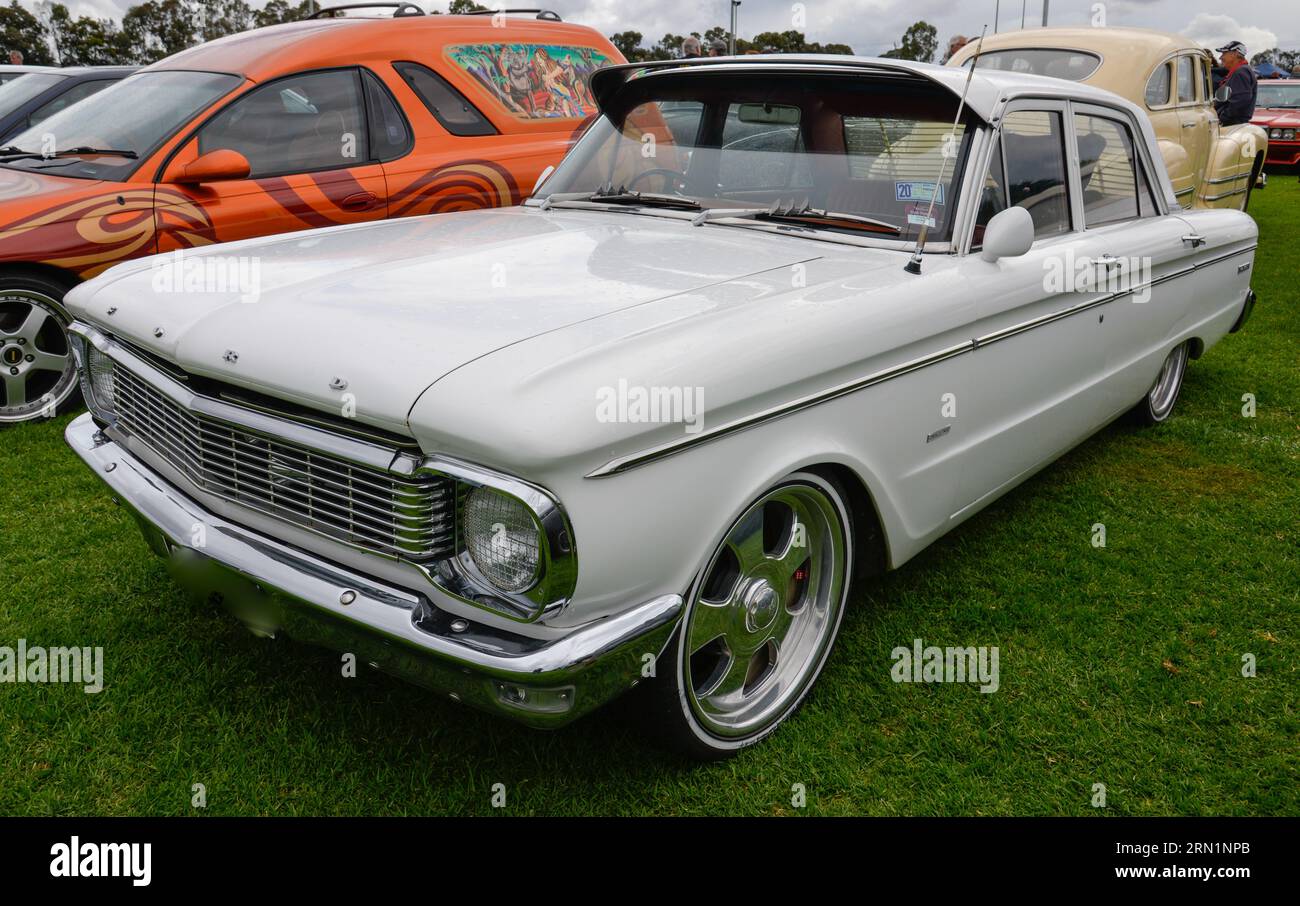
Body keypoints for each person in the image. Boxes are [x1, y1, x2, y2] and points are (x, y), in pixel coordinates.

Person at [1214, 40, 1257, 126]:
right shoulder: (1240, 71)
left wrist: (1223, 118)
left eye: (1224, 53)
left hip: (1233, 124)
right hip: (1234, 123)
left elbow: (1239, 102)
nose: (1221, 57)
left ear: (1235, 54)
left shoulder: (1241, 72)